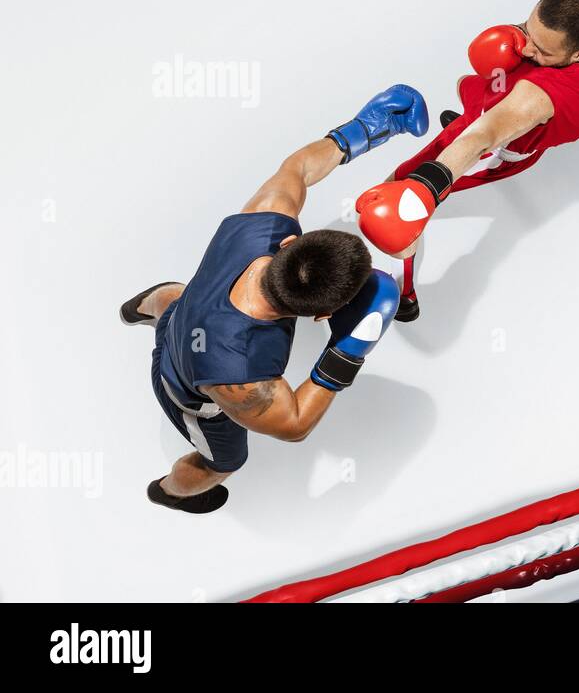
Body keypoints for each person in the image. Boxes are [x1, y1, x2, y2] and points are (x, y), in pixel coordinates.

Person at [119, 86, 428, 513]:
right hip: (181, 388)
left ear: (287, 242)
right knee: (225, 459)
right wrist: (349, 349)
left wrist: (365, 130)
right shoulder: (240, 376)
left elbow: (298, 168)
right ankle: (170, 491)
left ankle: (135, 309)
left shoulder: (262, 223)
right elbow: (296, 424)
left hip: (184, 313)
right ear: (324, 313)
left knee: (179, 299)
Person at [356, 0, 579, 320]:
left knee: (393, 192)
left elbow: (483, 136)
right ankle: (481, 106)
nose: (525, 48)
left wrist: (424, 188)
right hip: (502, 98)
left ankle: (406, 293)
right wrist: (522, 37)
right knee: (464, 82)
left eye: (541, 50)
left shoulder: (542, 99)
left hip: (498, 145)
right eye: (527, 31)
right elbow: (532, 46)